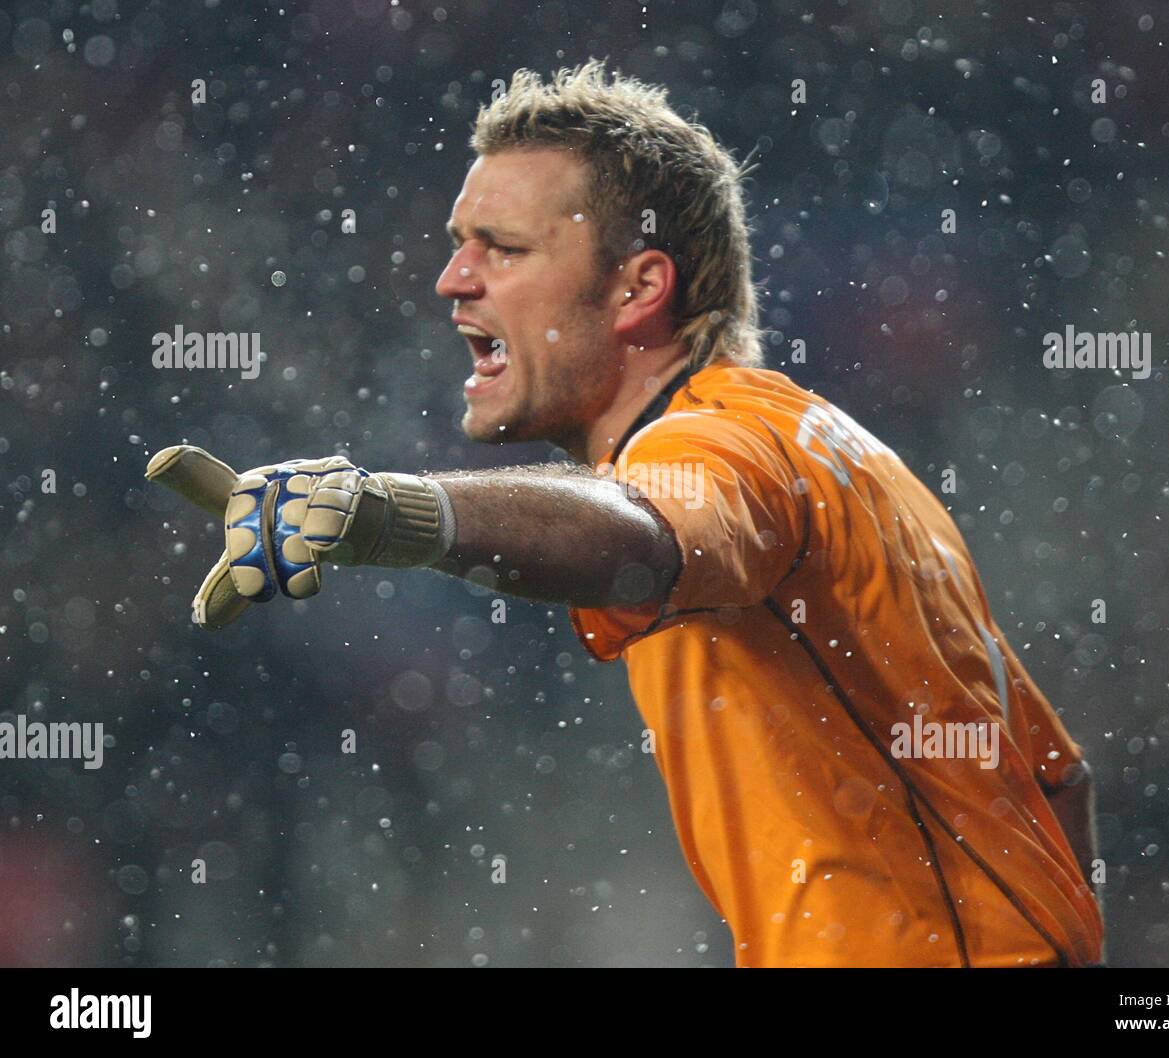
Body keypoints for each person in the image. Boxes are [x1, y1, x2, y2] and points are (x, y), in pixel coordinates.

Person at [148, 60, 1103, 967]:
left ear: (641, 289)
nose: (454, 280)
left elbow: (642, 537)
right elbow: (1058, 781)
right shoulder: (851, 456)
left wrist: (385, 513)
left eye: (504, 249)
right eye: (458, 245)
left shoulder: (722, 445)